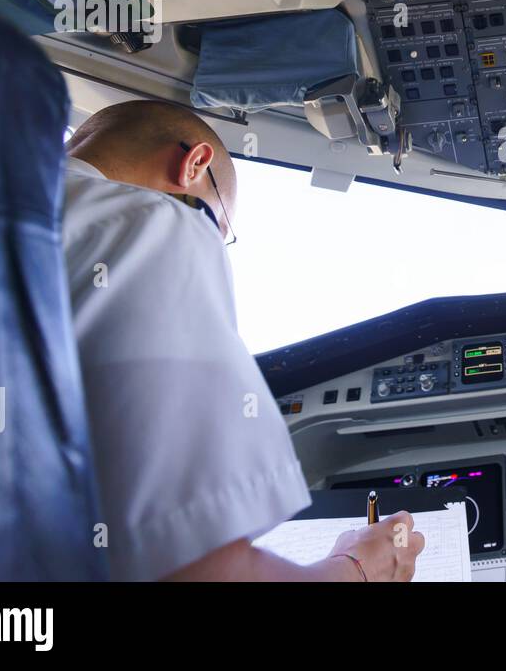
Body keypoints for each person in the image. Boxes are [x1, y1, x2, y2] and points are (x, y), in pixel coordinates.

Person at [62, 99, 424, 580]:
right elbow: (198, 572)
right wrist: (361, 568)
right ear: (195, 163)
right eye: (216, 224)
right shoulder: (150, 223)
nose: (210, 239)